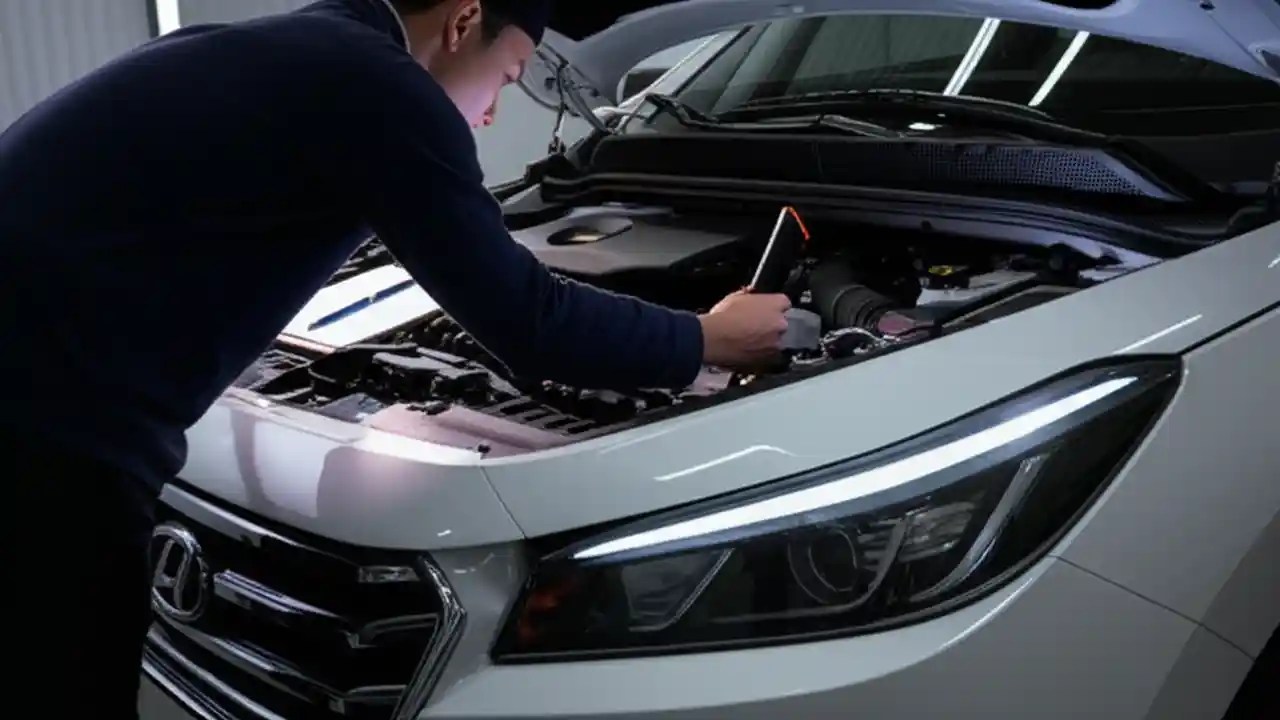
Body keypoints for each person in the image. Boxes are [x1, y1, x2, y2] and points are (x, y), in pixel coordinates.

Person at [0, 0, 790, 716]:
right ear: (461, 20)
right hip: (52, 432)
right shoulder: (376, 85)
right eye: (509, 77)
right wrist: (707, 337)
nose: (488, 116)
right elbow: (531, 321)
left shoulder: (295, 46)